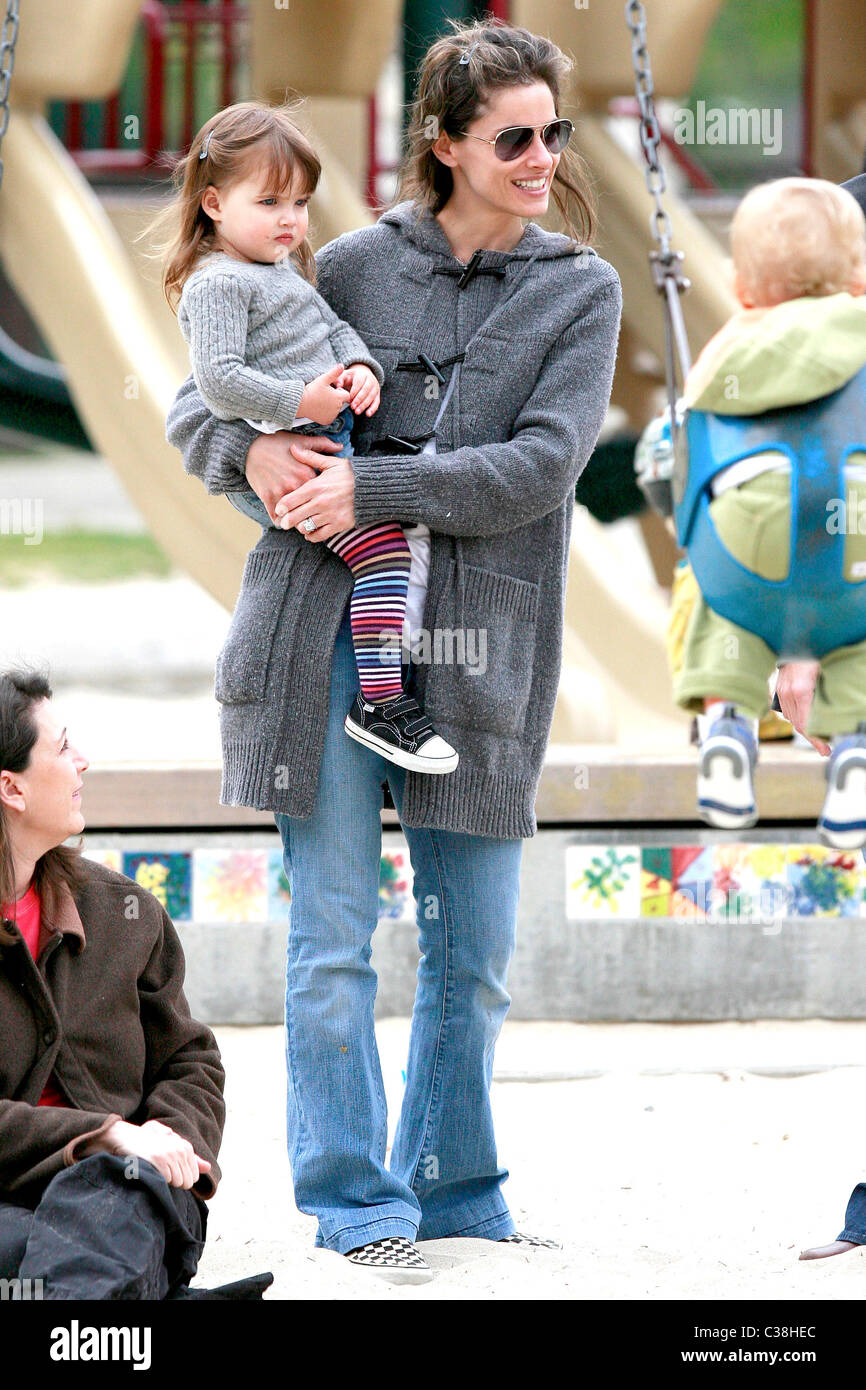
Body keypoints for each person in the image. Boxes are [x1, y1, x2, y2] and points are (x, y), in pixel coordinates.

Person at [167, 18, 621, 1284]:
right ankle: (355, 1201)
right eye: (511, 138)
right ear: (443, 144)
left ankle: (456, 1188)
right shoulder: (348, 265)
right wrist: (253, 453)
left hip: (479, 650)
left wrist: (374, 493)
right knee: (329, 940)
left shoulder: (581, 288)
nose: (540, 158)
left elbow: (541, 467)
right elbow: (197, 398)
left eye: (553, 136)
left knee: (470, 955)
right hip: (319, 634)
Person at [160, 100, 456, 776]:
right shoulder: (218, 286)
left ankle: (386, 692)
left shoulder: (281, 272)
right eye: (268, 202)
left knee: (391, 542)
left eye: (299, 201)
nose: (290, 220)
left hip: (325, 441)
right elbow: (218, 383)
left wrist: (359, 367)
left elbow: (333, 330)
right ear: (212, 203)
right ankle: (382, 704)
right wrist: (298, 400)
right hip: (291, 465)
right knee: (383, 554)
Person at [0, 669, 240, 1300]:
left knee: (111, 1202)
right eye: (62, 748)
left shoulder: (126, 914)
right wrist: (101, 1132)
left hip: (132, 1188)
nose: (84, 762)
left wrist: (167, 1145)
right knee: (54, 1243)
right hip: (11, 1196)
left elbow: (191, 1060)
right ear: (11, 788)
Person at [669, 178, 866, 844]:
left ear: (743, 286)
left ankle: (727, 726)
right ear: (857, 273)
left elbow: (682, 451)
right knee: (859, 639)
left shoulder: (729, 351)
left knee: (711, 593)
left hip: (753, 539)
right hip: (855, 536)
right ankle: (855, 752)